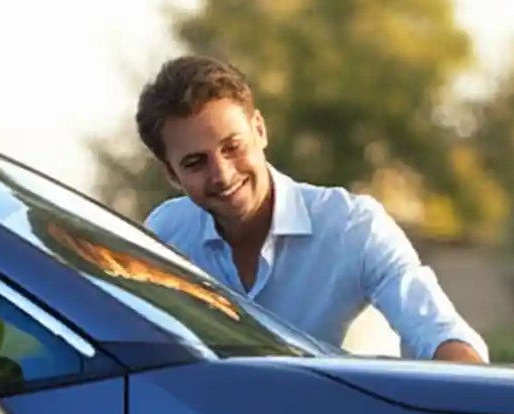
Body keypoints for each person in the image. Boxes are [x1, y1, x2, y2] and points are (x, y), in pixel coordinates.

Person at [134, 54, 489, 363]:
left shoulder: (352, 226)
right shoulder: (165, 238)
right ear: (172, 174)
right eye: (196, 163)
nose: (222, 174)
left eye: (232, 147)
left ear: (259, 130)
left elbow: (438, 333)